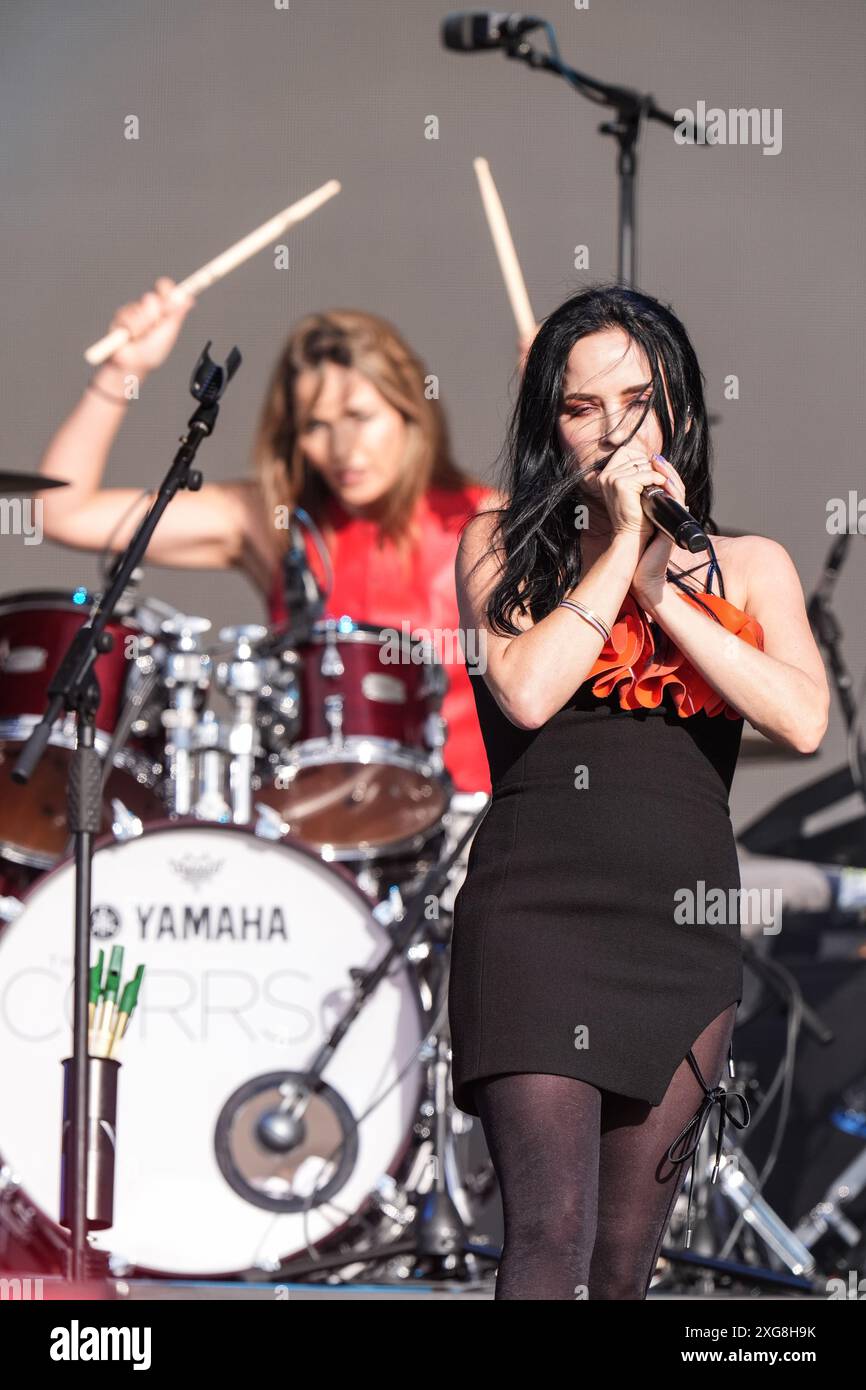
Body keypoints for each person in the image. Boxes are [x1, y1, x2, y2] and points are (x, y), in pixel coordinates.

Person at [447, 283, 830, 1300]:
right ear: (550, 425)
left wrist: (666, 591)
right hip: (536, 923)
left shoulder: (750, 565)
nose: (614, 427)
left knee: (622, 1265)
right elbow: (525, 692)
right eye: (582, 406)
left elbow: (799, 718)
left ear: (680, 412)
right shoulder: (500, 544)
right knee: (547, 1237)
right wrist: (619, 548)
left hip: (676, 933)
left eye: (636, 400)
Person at [35, 281, 499, 793]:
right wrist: (124, 371)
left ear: (412, 412)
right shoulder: (273, 519)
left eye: (360, 417)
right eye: (315, 425)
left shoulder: (492, 518)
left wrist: (564, 401)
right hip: (314, 833)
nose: (343, 448)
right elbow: (61, 512)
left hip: (472, 831)